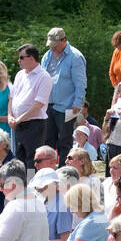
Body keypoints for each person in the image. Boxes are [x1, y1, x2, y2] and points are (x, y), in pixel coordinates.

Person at [41, 27, 87, 161]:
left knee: (64, 142)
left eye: (55, 45)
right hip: (48, 105)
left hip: (67, 107)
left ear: (64, 40)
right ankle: (48, 171)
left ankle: (64, 172)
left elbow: (80, 83)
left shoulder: (75, 57)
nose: (52, 48)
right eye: (50, 45)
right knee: (48, 141)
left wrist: (78, 103)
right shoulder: (47, 55)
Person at [9, 43, 53, 176]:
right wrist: (10, 115)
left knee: (32, 160)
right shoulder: (20, 75)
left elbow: (38, 105)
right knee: (19, 158)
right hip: (18, 124)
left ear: (32, 58)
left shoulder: (44, 77)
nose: (19, 60)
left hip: (34, 124)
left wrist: (18, 119)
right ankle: (21, 189)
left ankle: (32, 189)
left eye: (22, 57)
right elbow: (12, 98)